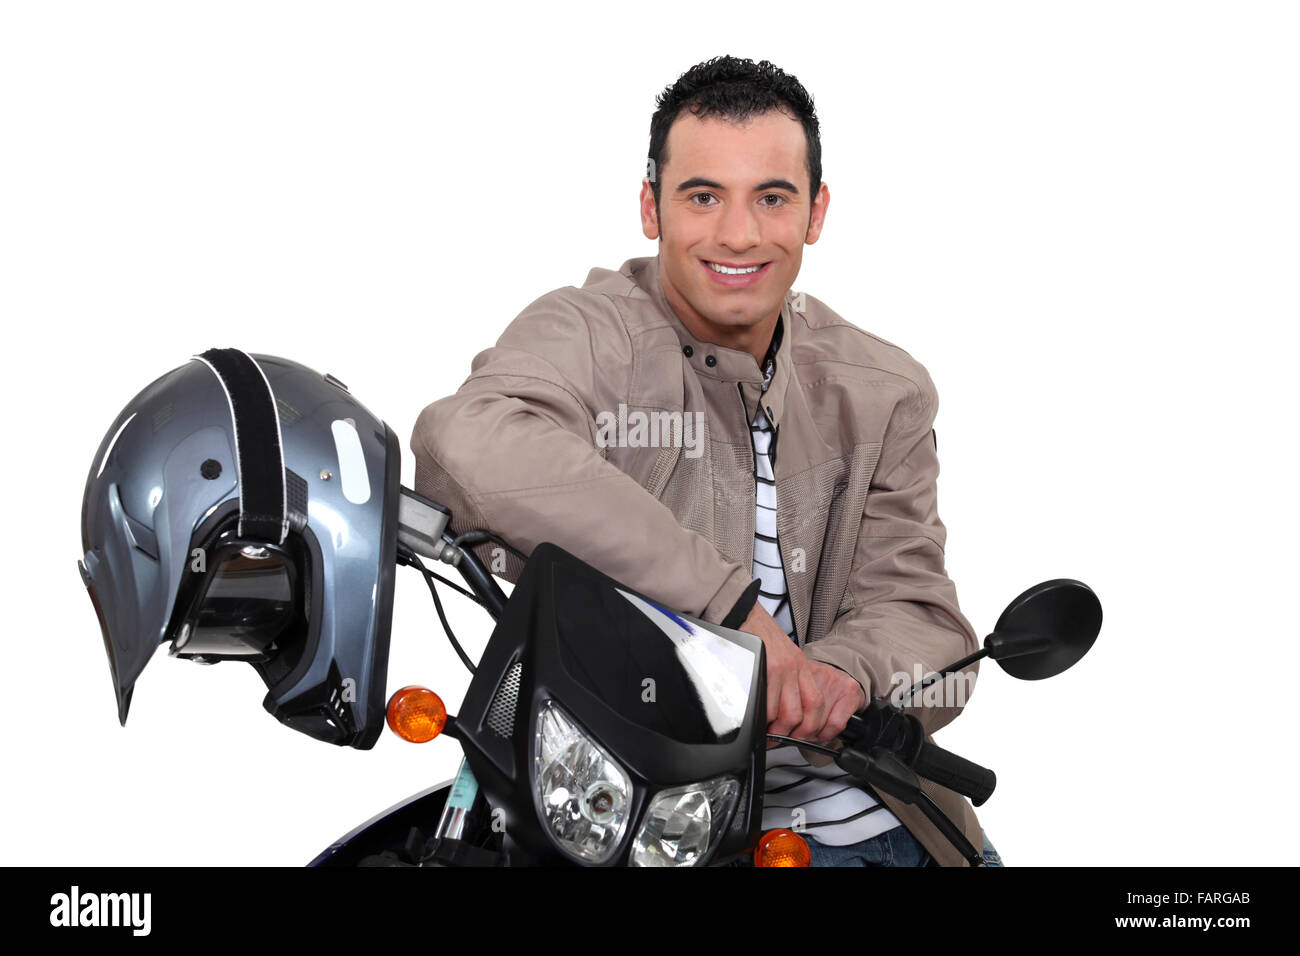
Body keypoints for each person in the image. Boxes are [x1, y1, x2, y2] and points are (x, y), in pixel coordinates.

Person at [411, 55, 1001, 867]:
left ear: (816, 213)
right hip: (653, 827)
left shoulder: (883, 389)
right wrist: (729, 612)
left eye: (772, 197)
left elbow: (926, 620)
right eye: (702, 196)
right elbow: (468, 439)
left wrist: (839, 678)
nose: (738, 235)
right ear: (650, 206)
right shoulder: (589, 335)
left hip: (895, 825)